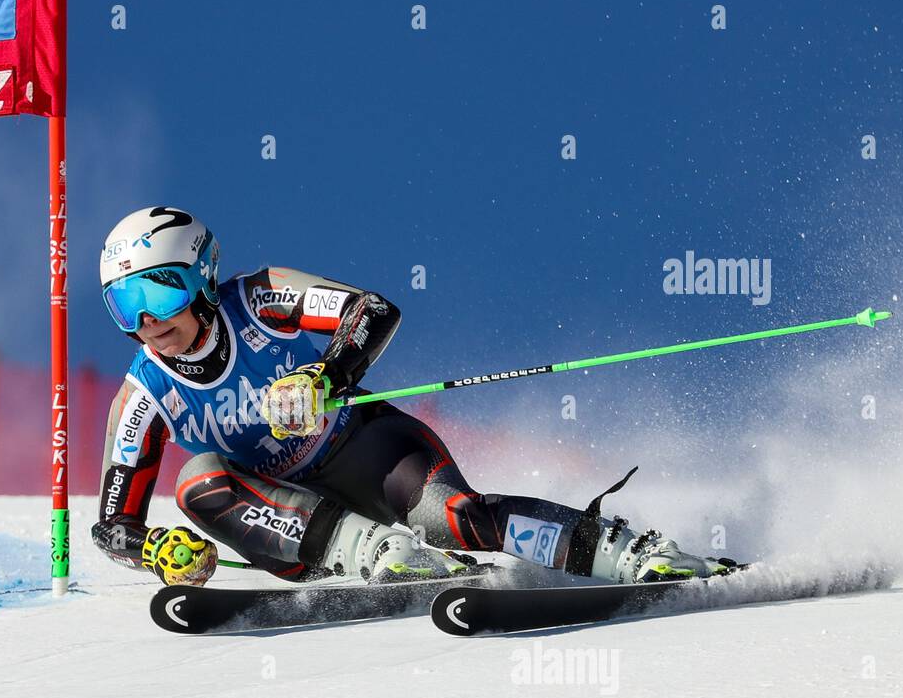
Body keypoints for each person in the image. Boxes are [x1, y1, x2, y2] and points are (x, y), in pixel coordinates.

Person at [91, 206, 734, 588]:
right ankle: (374, 556)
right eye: (126, 304)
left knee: (458, 519)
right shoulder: (141, 399)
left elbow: (370, 311)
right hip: (287, 513)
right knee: (197, 483)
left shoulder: (258, 297)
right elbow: (113, 525)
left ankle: (628, 557)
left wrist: (325, 378)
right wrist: (156, 551)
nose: (148, 320)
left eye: (160, 293)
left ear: (201, 276)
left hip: (363, 449)